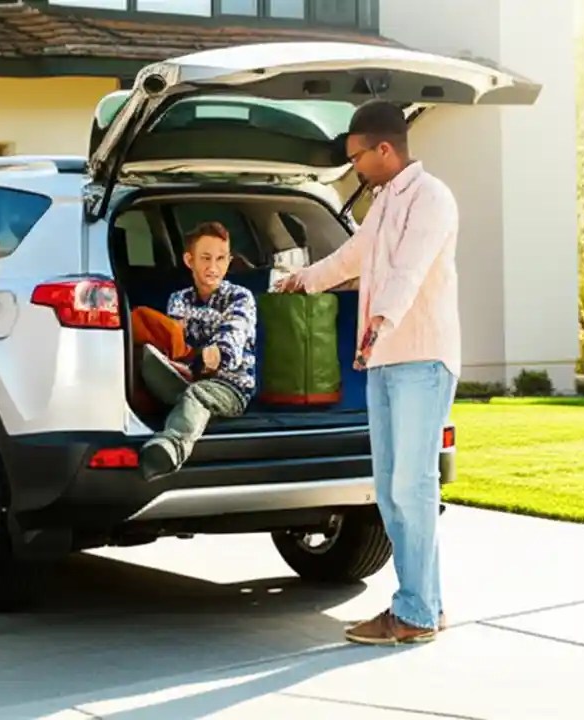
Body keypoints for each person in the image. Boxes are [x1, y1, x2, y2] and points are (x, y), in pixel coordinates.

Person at [275, 100, 460, 645]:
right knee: (389, 491)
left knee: (413, 485)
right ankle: (429, 603)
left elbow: (409, 270)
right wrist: (303, 280)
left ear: (385, 149)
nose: (354, 166)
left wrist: (379, 322)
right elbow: (352, 257)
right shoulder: (381, 205)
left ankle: (415, 613)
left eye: (358, 156)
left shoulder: (432, 198)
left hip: (420, 358)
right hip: (382, 360)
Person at [138, 221, 257, 481]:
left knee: (196, 394)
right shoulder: (178, 299)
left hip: (230, 386)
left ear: (229, 261)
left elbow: (232, 340)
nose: (213, 267)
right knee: (147, 343)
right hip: (187, 373)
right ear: (189, 260)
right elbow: (176, 339)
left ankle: (171, 447)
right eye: (205, 258)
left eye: (221, 259)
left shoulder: (240, 298)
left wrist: (213, 355)